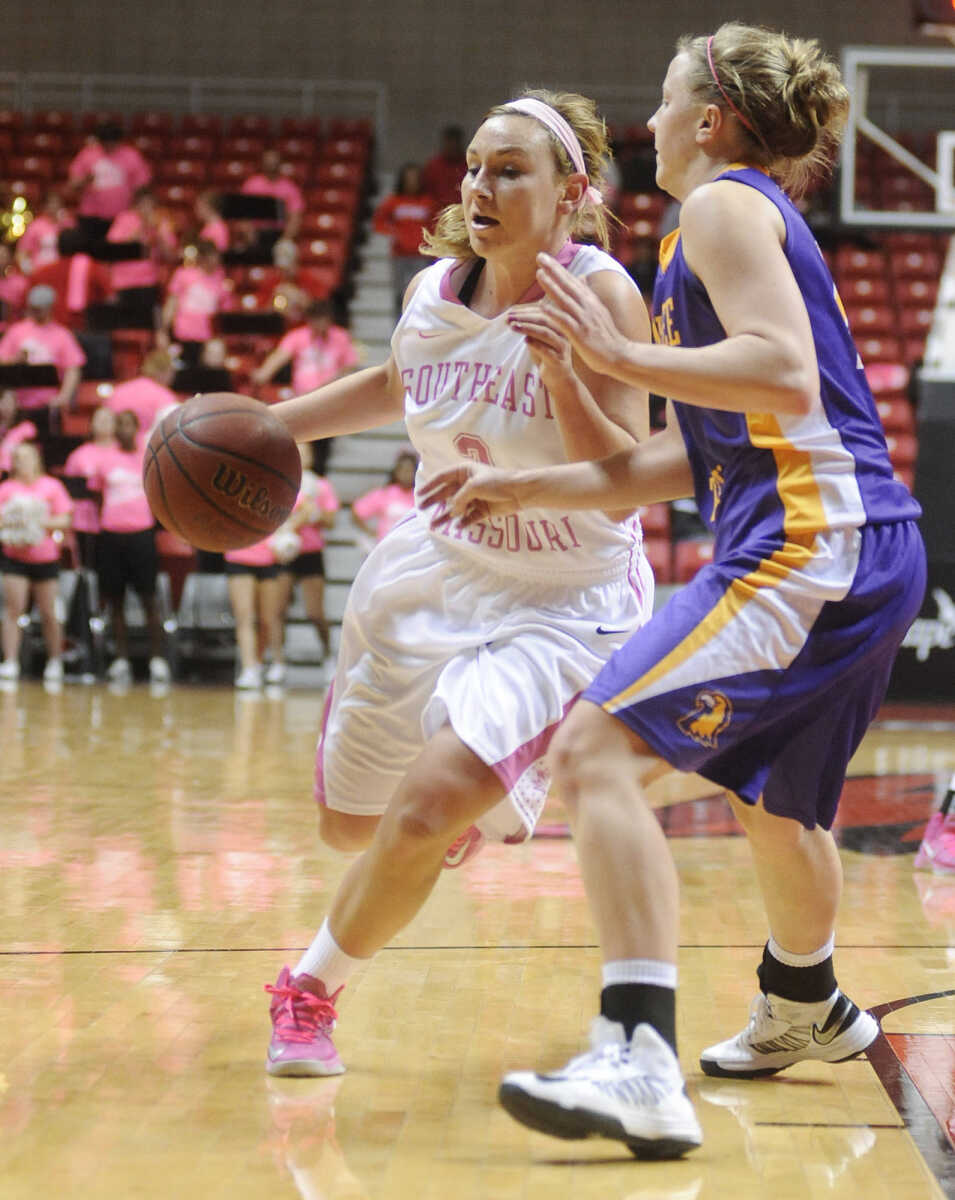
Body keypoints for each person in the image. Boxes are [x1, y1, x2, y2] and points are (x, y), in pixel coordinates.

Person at [424, 23, 927, 1159]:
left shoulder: (720, 206)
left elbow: (780, 370)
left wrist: (609, 361)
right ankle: (805, 1000)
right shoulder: (706, 236)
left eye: (661, 103)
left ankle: (637, 1056)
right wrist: (517, 487)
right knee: (775, 804)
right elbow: (687, 457)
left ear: (709, 120)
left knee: (592, 749)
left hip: (814, 540)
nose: (646, 123)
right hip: (848, 540)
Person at [262, 89, 654, 1080]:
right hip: (437, 571)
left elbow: (624, 483)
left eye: (509, 169)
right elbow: (395, 384)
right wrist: (272, 427)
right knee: (351, 826)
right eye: (475, 165)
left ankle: (307, 992)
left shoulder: (601, 295)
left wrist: (563, 374)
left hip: (559, 599)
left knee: (429, 806)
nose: (480, 184)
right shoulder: (434, 290)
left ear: (572, 192)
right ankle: (452, 822)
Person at [89, 409, 171, 685]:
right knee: (116, 600)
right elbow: (97, 494)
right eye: (119, 424)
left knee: (149, 598)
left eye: (128, 424)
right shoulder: (104, 459)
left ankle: (157, 659)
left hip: (141, 535)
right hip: (112, 535)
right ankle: (121, 659)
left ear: (136, 428)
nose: (123, 429)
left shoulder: (148, 458)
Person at [253, 299, 359, 473]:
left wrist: (330, 384)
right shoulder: (298, 336)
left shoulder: (341, 337)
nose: (319, 324)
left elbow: (349, 368)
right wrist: (263, 373)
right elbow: (279, 356)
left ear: (329, 319)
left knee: (321, 450)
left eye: (323, 319)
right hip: (302, 400)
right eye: (316, 320)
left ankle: (319, 478)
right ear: (309, 320)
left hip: (329, 401)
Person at [0, 441, 73, 683]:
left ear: (37, 459)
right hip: (15, 557)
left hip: (45, 558)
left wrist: (37, 521)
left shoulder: (51, 486)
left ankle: (54, 661)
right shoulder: (7, 488)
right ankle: (10, 661)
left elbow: (64, 519)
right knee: (13, 609)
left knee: (49, 612)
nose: (23, 462)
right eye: (18, 458)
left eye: (27, 457)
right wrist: (14, 521)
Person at [270, 441, 340, 683]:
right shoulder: (279, 483)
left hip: (310, 552)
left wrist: (314, 514)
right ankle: (278, 662)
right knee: (277, 610)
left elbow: (331, 521)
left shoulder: (320, 486)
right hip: (284, 552)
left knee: (315, 612)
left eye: (306, 451)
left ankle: (328, 656)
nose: (302, 456)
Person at [0, 284, 85, 413]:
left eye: (39, 309)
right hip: (16, 403)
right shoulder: (16, 331)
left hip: (47, 404)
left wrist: (64, 397)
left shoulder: (62, 335)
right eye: (33, 308)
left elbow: (73, 369)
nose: (35, 312)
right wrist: (15, 360)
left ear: (50, 308)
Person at [67, 123, 152, 241]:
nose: (109, 146)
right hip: (91, 217)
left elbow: (143, 186)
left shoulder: (132, 156)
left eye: (113, 142)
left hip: (122, 218)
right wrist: (85, 180)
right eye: (105, 142)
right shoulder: (87, 154)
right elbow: (72, 185)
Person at [372, 163, 435, 317]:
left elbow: (434, 225)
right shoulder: (393, 201)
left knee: (421, 293)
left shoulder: (427, 202)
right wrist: (394, 232)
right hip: (399, 255)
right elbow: (378, 223)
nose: (411, 182)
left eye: (414, 178)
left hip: (421, 255)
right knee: (400, 294)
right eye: (408, 178)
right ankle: (398, 328)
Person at [223, 537, 285, 690]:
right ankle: (249, 668)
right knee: (245, 618)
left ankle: (257, 662)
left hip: (270, 557)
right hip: (238, 555)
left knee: (267, 620)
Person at [105, 186, 178, 316]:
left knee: (147, 325)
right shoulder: (124, 219)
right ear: (136, 204)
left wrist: (158, 236)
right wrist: (138, 232)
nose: (147, 208)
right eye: (143, 204)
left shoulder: (161, 222)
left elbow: (171, 256)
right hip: (123, 283)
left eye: (150, 204)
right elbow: (112, 250)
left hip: (148, 283)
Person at [160, 240, 233, 367]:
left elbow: (225, 310)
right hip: (183, 334)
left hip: (207, 338)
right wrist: (163, 330)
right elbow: (172, 304)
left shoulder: (221, 280)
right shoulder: (183, 275)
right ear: (202, 258)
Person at [61, 405, 117, 568]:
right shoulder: (78, 455)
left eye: (108, 419)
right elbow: (70, 493)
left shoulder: (125, 452)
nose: (104, 423)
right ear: (91, 424)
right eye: (100, 419)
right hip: (86, 523)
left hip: (118, 521)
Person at [104, 348, 178, 442]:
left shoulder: (119, 390)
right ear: (166, 372)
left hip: (115, 447)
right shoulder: (165, 397)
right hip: (146, 450)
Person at [350, 446, 417, 547]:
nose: (407, 474)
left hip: (413, 547)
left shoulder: (420, 494)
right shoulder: (384, 493)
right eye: (403, 470)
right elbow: (356, 512)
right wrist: (371, 533)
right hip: (387, 546)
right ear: (396, 472)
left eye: (410, 471)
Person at [241, 149, 305, 243]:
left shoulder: (290, 188)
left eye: (274, 161)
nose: (271, 164)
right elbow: (242, 214)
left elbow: (295, 219)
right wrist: (249, 234)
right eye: (268, 161)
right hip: (255, 233)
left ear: (280, 164)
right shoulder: (251, 184)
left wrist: (284, 240)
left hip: (281, 234)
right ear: (262, 163)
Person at [421, 124, 467, 213]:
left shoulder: (469, 165)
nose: (452, 146)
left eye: (455, 143)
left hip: (463, 213)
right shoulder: (433, 166)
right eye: (450, 143)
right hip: (437, 213)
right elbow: (426, 194)